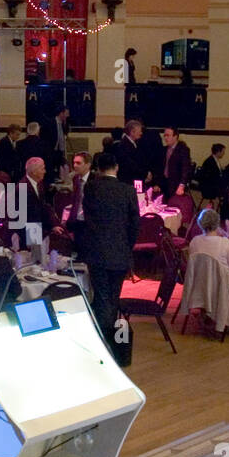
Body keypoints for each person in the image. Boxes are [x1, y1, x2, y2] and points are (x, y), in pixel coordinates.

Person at [81, 152, 139, 356]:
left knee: (102, 295)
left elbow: (87, 219)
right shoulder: (128, 191)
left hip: (96, 252)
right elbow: (134, 226)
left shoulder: (91, 188)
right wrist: (126, 247)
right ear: (116, 167)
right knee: (113, 297)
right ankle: (110, 344)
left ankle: (102, 342)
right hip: (119, 254)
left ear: (97, 168)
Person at [187, 208, 229, 283]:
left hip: (201, 283)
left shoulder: (194, 241)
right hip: (222, 285)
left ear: (200, 223)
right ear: (217, 224)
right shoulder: (224, 242)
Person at [155, 127, 192, 198]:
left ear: (175, 137)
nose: (165, 138)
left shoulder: (183, 150)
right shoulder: (164, 149)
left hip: (176, 184)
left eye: (168, 135)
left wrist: (182, 185)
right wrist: (157, 183)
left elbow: (186, 168)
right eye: (164, 135)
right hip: (164, 183)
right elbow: (160, 168)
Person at [40, 105, 70, 181]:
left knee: (60, 170)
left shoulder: (64, 124)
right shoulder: (49, 123)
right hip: (51, 151)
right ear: (61, 113)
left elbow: (65, 134)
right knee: (50, 171)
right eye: (66, 113)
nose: (67, 115)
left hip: (60, 150)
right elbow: (44, 137)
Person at [112, 119, 145, 185]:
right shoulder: (124, 145)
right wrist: (144, 174)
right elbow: (130, 164)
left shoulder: (133, 143)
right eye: (140, 131)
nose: (141, 133)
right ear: (132, 132)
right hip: (128, 181)